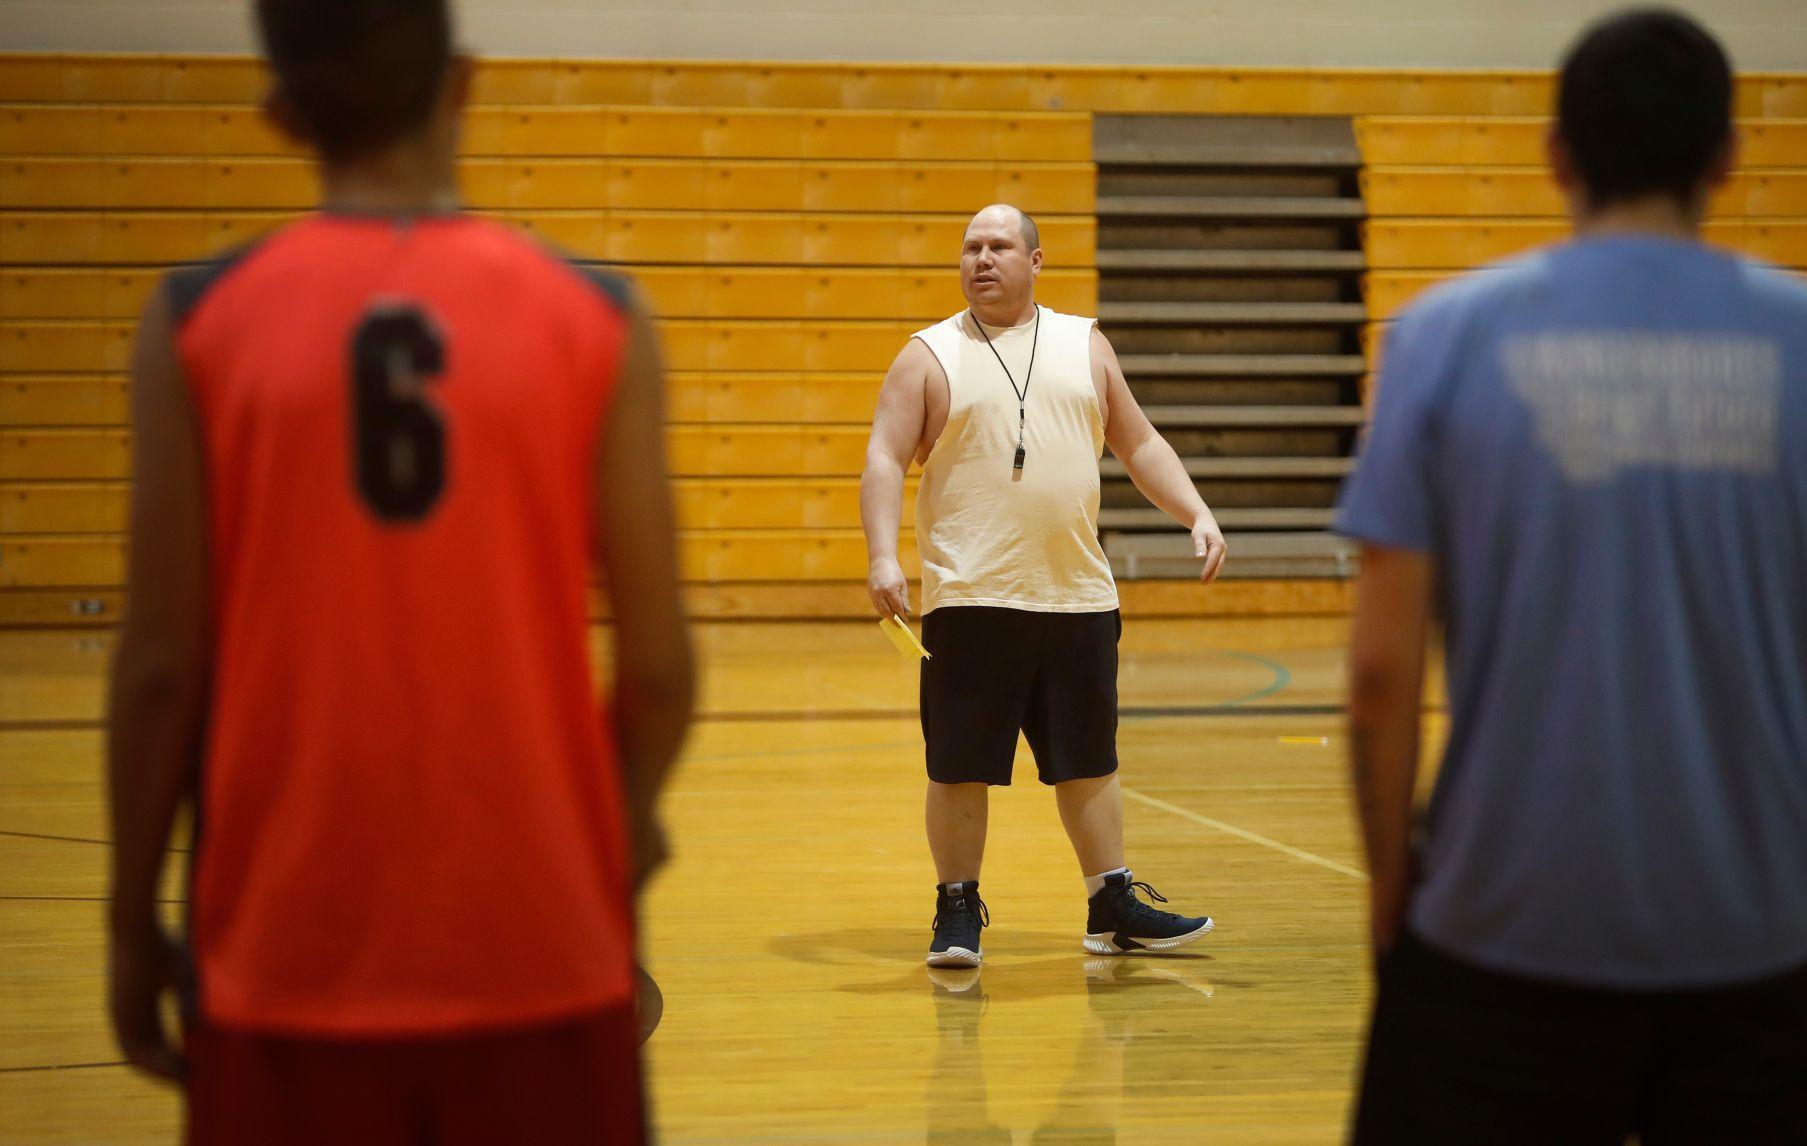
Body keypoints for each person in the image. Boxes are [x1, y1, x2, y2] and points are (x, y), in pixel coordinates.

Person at [104, 1, 695, 1141]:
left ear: (280, 116)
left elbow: (160, 671)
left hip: (283, 956)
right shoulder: (600, 318)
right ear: (462, 85)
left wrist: (132, 920)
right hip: (540, 952)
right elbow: (662, 673)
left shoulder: (193, 320)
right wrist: (609, 850)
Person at [1338, 8, 1807, 1141]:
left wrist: (1393, 895)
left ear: (1557, 155)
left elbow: (1379, 678)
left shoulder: (1442, 336)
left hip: (1500, 931)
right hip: (1762, 941)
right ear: (1724, 162)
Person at [861, 203, 1227, 968]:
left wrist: (1193, 510)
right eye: (969, 248)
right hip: (971, 596)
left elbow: (1138, 440)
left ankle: (1111, 904)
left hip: (1077, 597)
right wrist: (882, 556)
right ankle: (956, 909)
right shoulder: (927, 355)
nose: (981, 259)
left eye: (998, 246)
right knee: (960, 763)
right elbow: (885, 457)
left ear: (1035, 261)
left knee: (1088, 760)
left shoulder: (1083, 342)